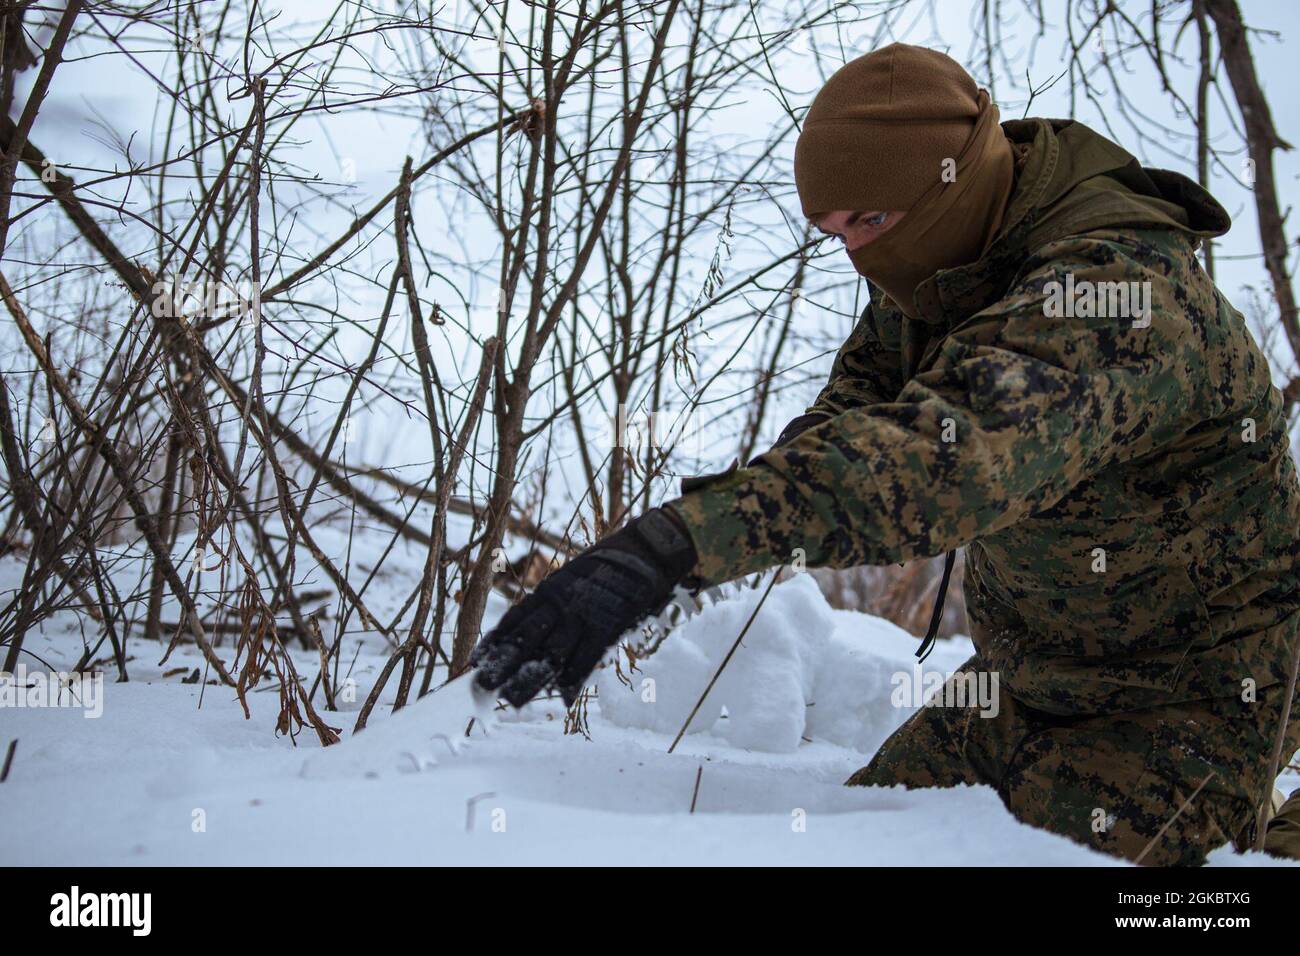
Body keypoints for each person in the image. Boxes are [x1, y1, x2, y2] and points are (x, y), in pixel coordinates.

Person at [470, 43, 1300, 865]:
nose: (860, 254)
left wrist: (683, 541)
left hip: (1197, 695)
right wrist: (734, 508)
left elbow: (948, 461)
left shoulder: (1116, 291)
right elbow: (857, 412)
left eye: (870, 221)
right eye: (834, 232)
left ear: (955, 179)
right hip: (1026, 682)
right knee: (861, 842)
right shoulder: (944, 263)